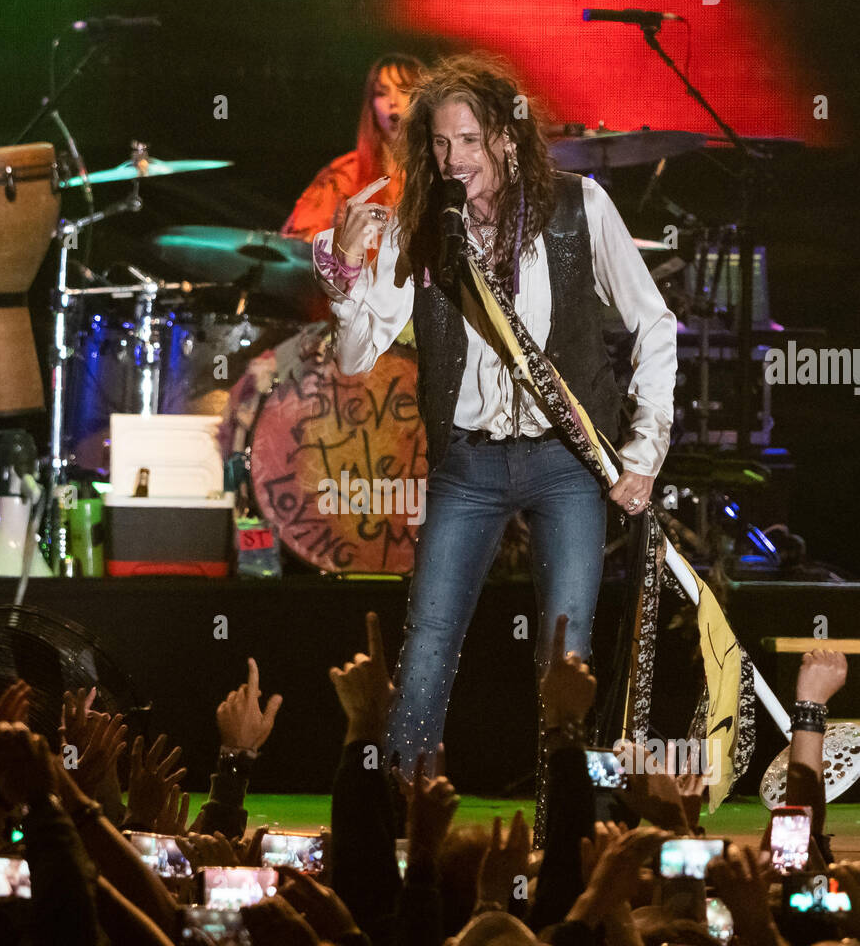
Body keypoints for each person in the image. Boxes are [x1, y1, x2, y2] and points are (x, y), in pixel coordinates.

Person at [313, 53, 677, 778]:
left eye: (468, 141)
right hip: (468, 464)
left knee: (563, 653)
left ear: (507, 141)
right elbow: (355, 356)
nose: (453, 159)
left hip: (566, 459)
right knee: (428, 641)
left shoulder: (579, 207)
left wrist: (644, 449)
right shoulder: (420, 229)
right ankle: (400, 817)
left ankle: (562, 825)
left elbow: (654, 322)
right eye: (440, 144)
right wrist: (345, 275)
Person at [281, 53, 423, 243]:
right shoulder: (344, 176)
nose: (393, 101)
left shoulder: (442, 177)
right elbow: (294, 249)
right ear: (371, 107)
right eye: (382, 93)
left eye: (404, 90)